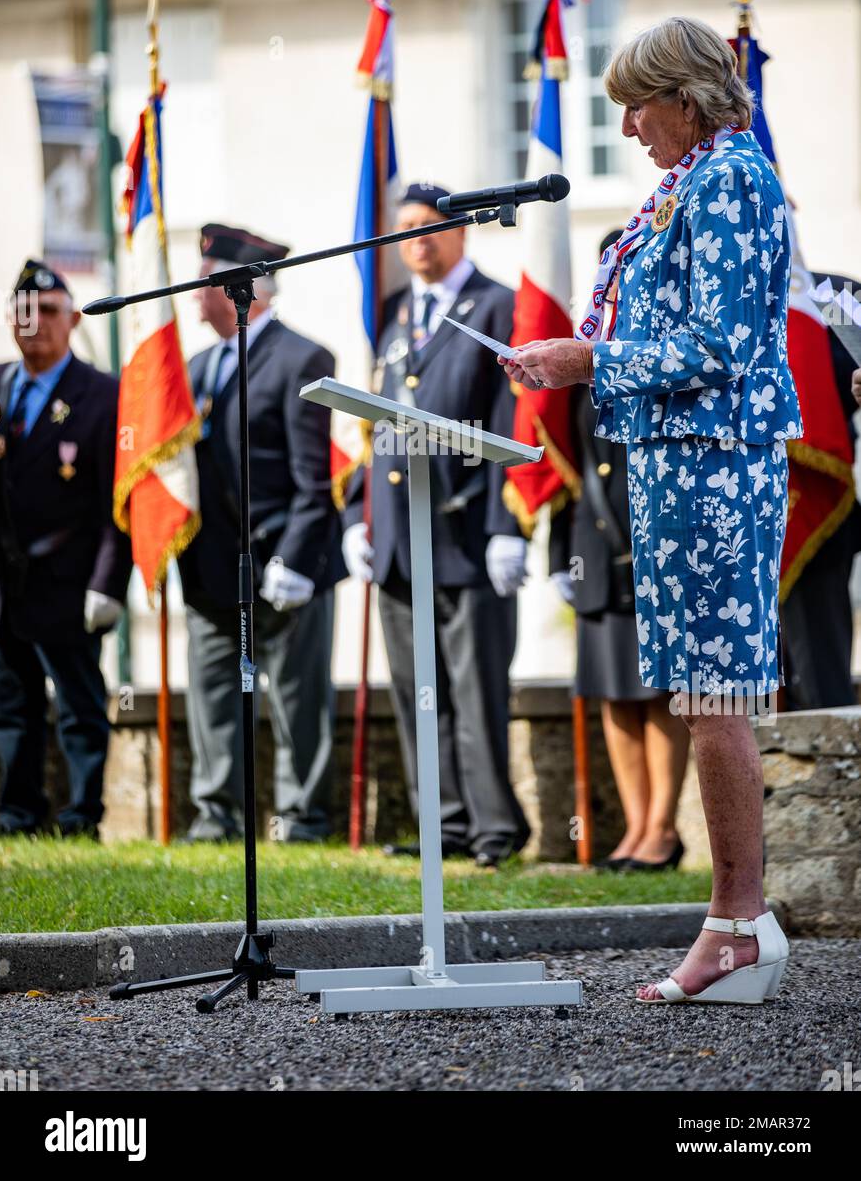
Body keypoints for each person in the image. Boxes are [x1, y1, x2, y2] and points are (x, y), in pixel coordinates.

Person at [500, 17, 800, 1003]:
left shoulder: (725, 180)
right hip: (681, 462)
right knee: (699, 694)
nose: (625, 127)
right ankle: (730, 924)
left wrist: (584, 357)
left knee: (714, 698)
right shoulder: (696, 180)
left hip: (713, 462)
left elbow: (716, 343)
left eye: (636, 104)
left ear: (684, 96)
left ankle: (736, 925)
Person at [343, 182, 530, 868]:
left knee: (474, 691)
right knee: (417, 690)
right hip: (400, 537)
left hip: (467, 535)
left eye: (428, 227)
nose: (416, 240)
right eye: (406, 229)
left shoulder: (497, 306)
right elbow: (378, 421)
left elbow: (512, 420)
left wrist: (509, 522)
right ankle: (442, 825)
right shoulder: (397, 314)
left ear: (460, 233)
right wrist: (357, 513)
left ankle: (492, 829)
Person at [177, 225, 344, 843]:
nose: (195, 295)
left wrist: (297, 558)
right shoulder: (193, 370)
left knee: (296, 698)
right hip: (211, 565)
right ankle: (215, 814)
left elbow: (314, 477)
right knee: (214, 694)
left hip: (283, 562)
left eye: (206, 283)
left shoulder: (303, 358)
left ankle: (302, 817)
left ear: (240, 287)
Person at [550, 230, 689, 872]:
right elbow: (569, 465)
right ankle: (633, 828)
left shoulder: (666, 351)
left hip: (653, 538)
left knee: (659, 690)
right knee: (613, 690)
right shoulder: (590, 354)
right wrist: (561, 554)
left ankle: (662, 829)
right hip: (594, 543)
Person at [0, 260, 132, 837]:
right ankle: (16, 811)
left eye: (48, 312)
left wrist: (108, 583)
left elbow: (116, 504)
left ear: (73, 319)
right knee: (10, 703)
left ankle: (81, 815)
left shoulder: (102, 394)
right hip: (5, 579)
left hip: (70, 575)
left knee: (77, 704)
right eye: (23, 312)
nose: (35, 324)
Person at [780, 268, 861, 709]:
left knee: (820, 675)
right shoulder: (718, 289)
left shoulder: (835, 295)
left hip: (817, 512)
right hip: (734, 518)